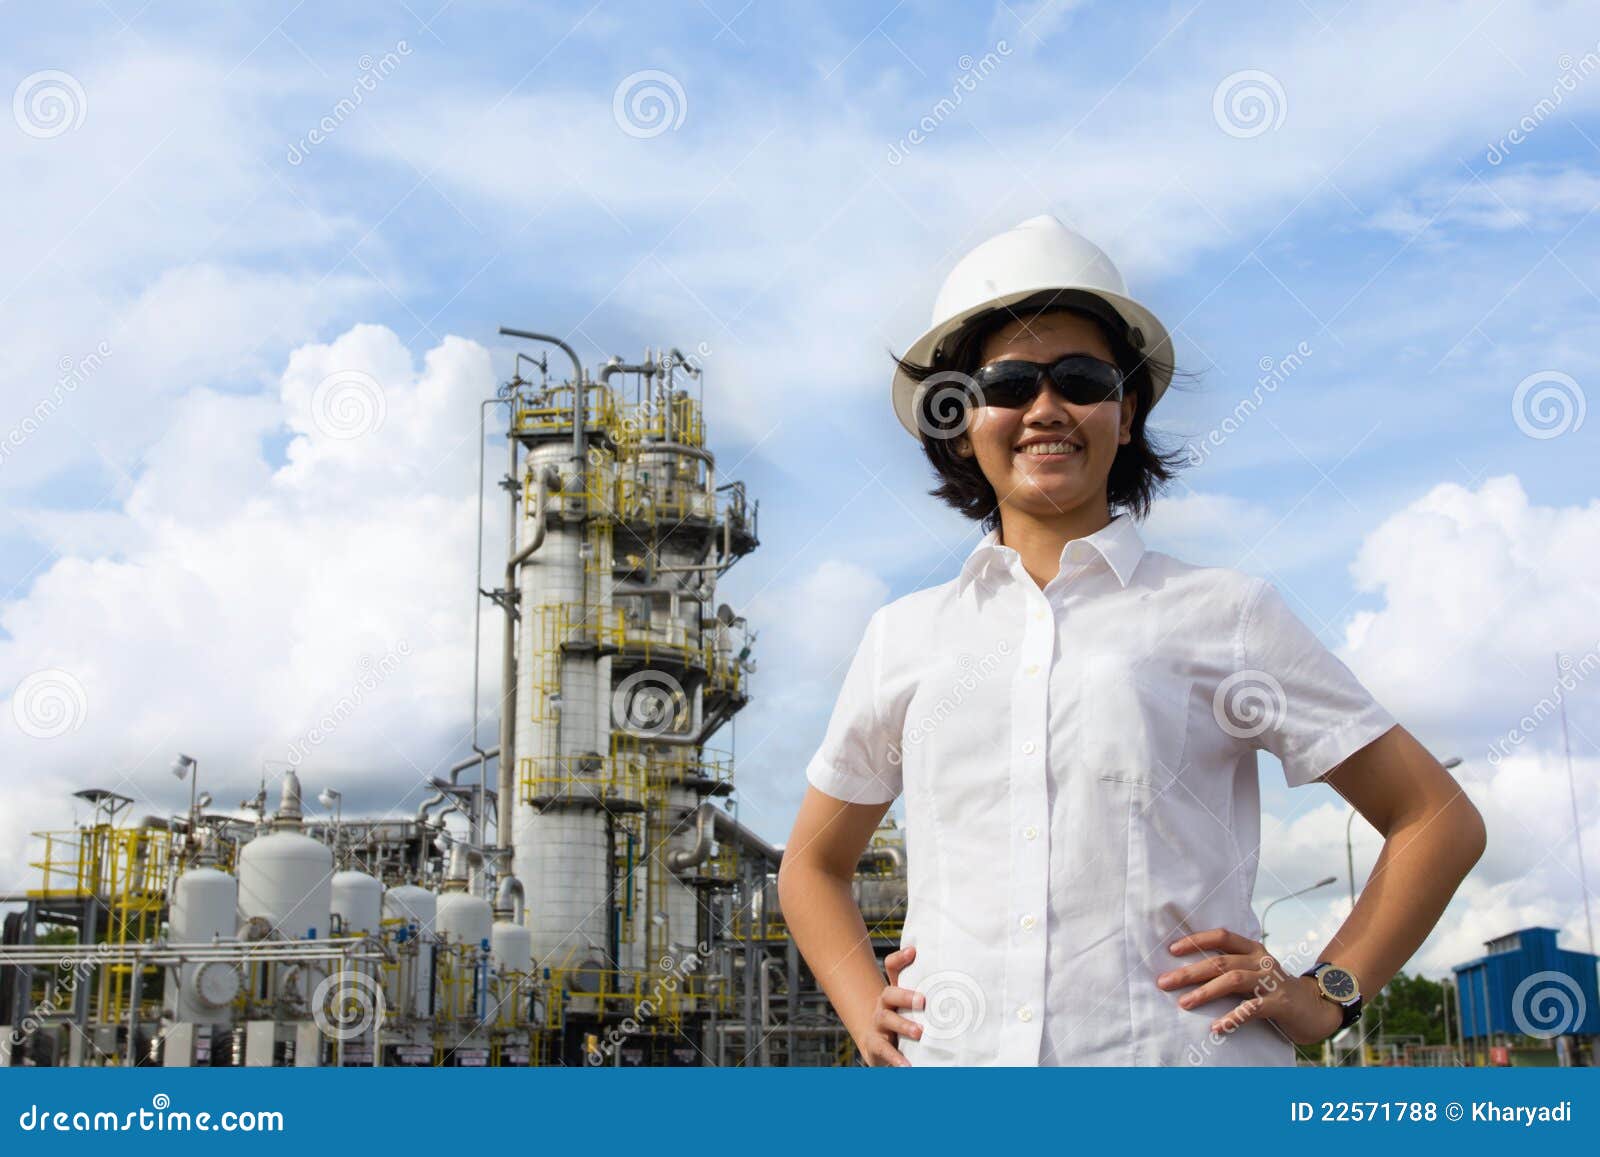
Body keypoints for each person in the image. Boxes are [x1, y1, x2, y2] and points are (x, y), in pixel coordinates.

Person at [775, 215, 1486, 1066]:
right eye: (1008, 384)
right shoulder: (903, 637)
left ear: (1126, 412)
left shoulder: (1227, 614)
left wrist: (1328, 993)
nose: (1045, 408)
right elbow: (811, 864)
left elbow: (1437, 818)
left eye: (1081, 380)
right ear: (961, 418)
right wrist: (863, 1007)